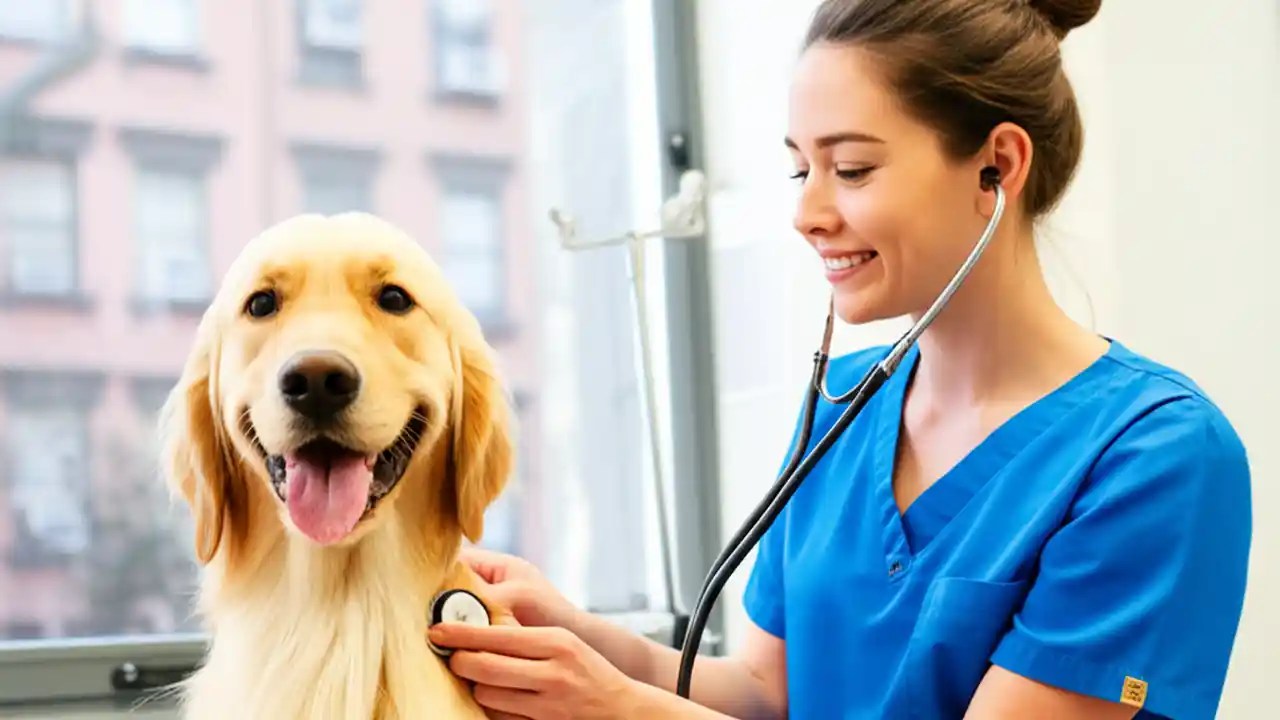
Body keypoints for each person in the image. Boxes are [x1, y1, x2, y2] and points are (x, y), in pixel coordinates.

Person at [426, 0, 1253, 717]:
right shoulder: (843, 411)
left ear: (996, 166)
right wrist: (576, 636)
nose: (808, 212)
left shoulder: (1156, 460)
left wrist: (616, 708)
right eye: (800, 167)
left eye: (851, 168)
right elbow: (765, 694)